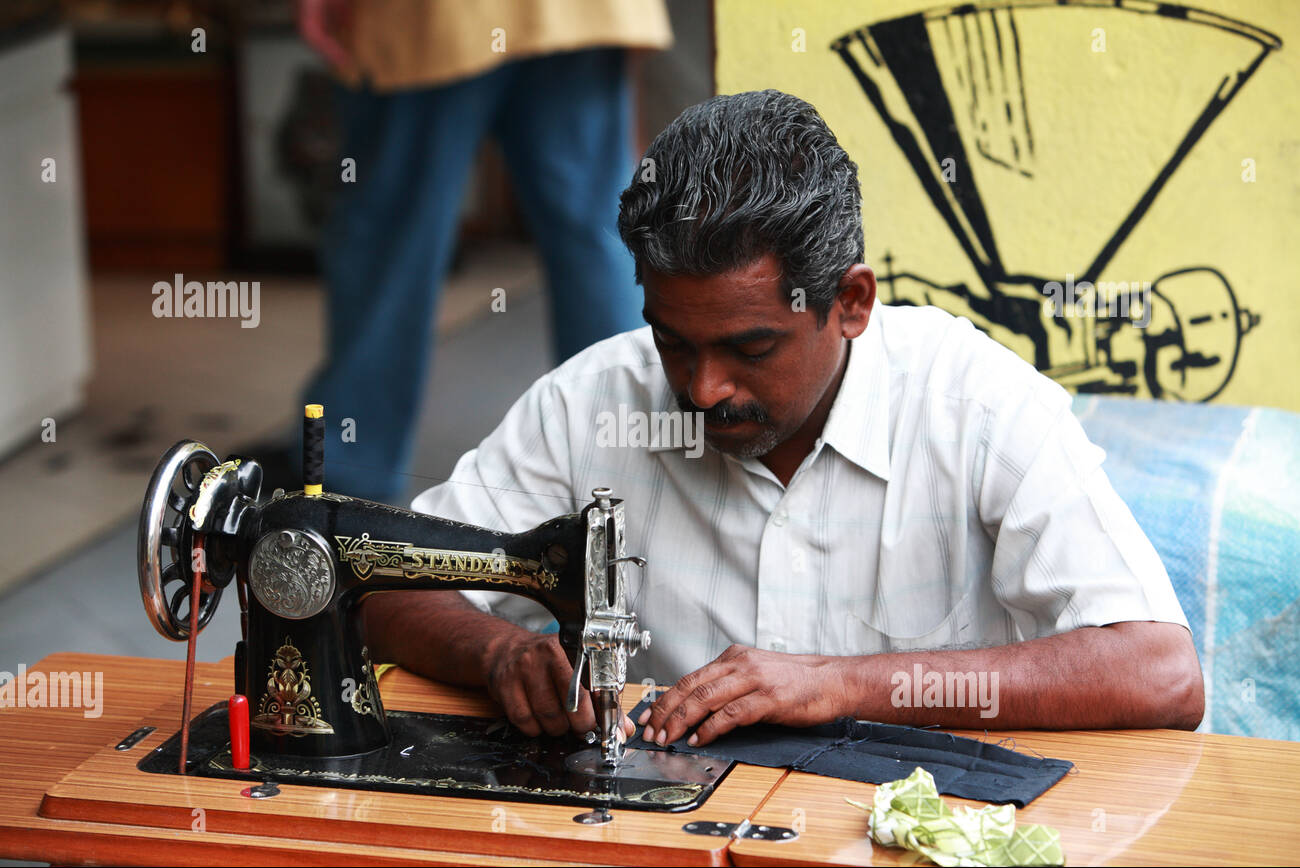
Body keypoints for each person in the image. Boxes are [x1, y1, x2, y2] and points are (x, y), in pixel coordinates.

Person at [363, 90, 1204, 748]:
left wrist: (843, 684)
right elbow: (382, 583)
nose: (701, 390)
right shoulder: (596, 402)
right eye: (674, 343)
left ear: (850, 303)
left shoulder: (973, 404)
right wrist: (495, 651)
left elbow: (1161, 673)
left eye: (750, 348)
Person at [264, 0, 673, 502]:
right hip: (577, 13)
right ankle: (631, 475)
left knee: (392, 239)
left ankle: (347, 481)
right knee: (598, 234)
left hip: (431, 18)